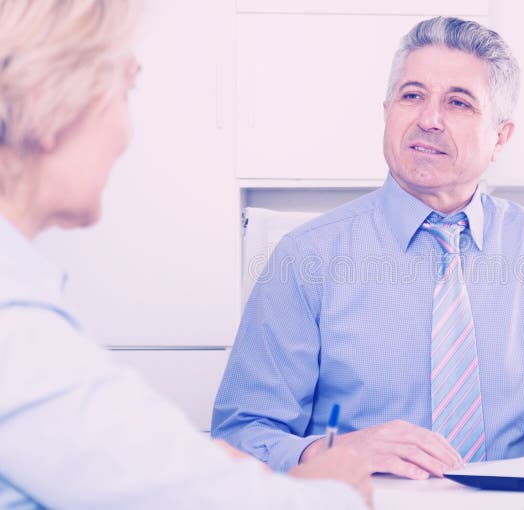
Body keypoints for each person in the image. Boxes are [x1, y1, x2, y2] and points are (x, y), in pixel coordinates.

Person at [212, 16, 524, 479]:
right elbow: (240, 434)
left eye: (459, 103)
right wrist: (333, 451)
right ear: (387, 111)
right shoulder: (305, 257)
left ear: (501, 137)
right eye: (412, 96)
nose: (429, 120)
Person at [0, 1, 371, 508]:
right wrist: (332, 489)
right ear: (47, 105)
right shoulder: (16, 326)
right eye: (124, 90)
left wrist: (208, 472)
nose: (127, 135)